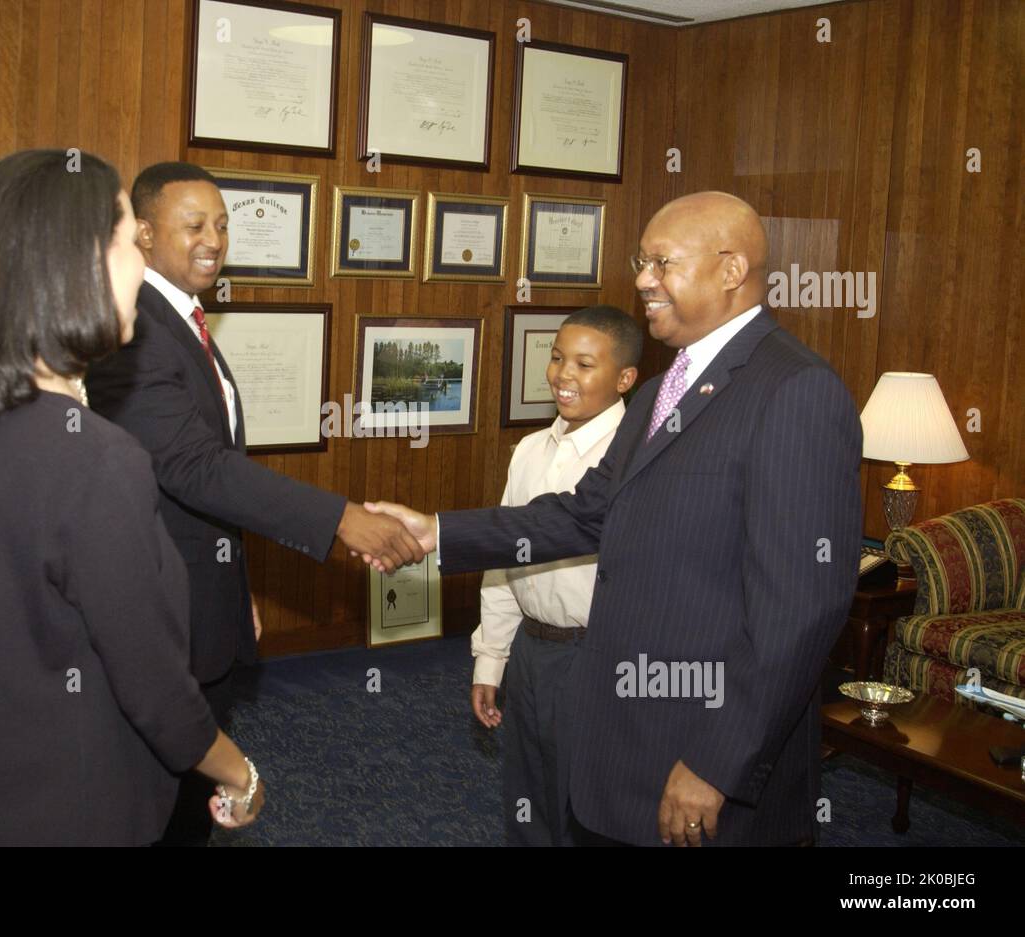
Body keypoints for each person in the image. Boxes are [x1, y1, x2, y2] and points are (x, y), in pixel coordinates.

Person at [367, 192, 862, 846]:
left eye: (661, 262)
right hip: (630, 735)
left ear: (731, 269)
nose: (641, 279)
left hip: (708, 748)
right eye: (640, 260)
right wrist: (439, 532)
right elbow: (582, 514)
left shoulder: (793, 389)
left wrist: (718, 759)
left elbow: (798, 611)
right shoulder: (661, 392)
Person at [0, 149, 262, 845]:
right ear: (77, 267)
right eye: (127, 239)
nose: (139, 261)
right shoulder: (98, 461)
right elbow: (158, 691)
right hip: (69, 803)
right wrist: (240, 772)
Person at [86, 162, 422, 845]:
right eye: (194, 225)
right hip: (156, 604)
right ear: (144, 233)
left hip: (197, 593)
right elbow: (190, 466)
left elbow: (209, 477)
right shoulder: (135, 328)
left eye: (222, 224)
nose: (214, 239)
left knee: (181, 792)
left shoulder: (181, 319)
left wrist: (231, 583)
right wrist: (341, 519)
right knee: (158, 797)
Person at [473, 305, 639, 846]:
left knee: (586, 810)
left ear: (624, 378)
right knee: (528, 801)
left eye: (585, 364)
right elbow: (503, 561)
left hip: (596, 659)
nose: (563, 374)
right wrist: (490, 660)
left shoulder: (636, 459)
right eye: (557, 357)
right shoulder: (528, 452)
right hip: (532, 653)